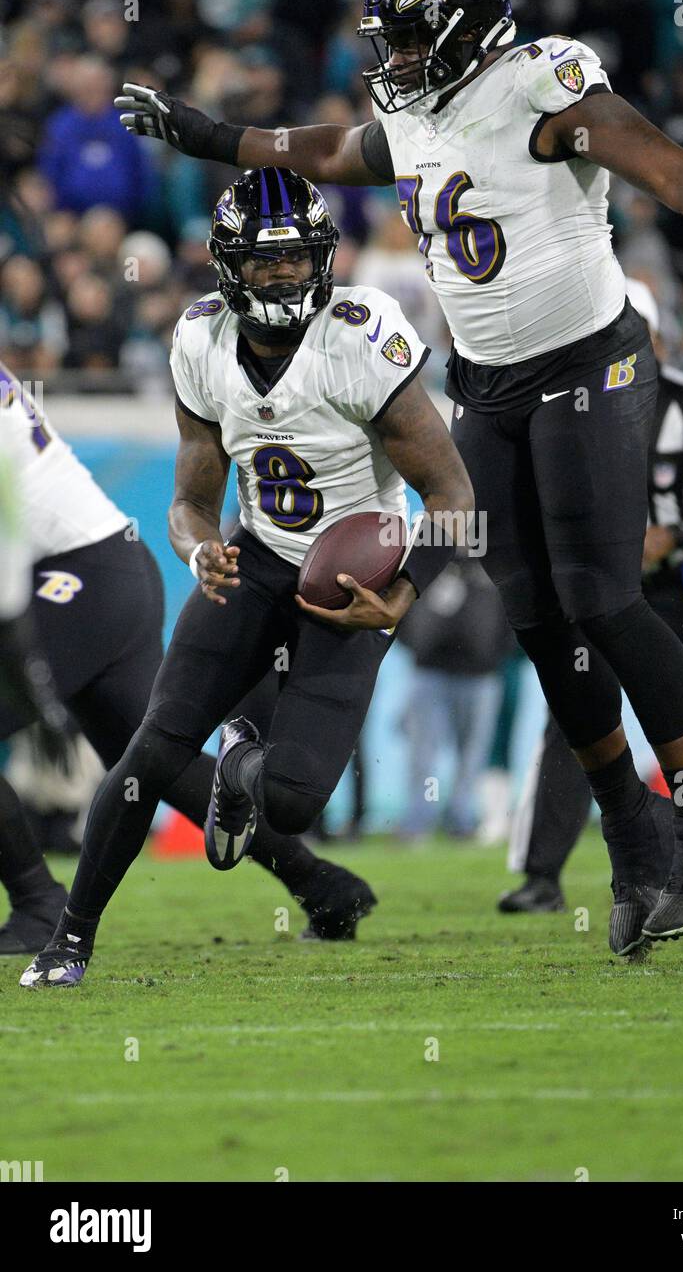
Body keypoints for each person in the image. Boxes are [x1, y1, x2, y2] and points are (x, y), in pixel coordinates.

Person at [114, 0, 683, 951]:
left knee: (600, 595)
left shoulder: (537, 85)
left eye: (412, 37)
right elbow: (323, 151)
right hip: (488, 385)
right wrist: (203, 135)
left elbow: (665, 165)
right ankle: (631, 840)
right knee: (537, 618)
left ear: (464, 27)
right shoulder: (417, 113)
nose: (398, 58)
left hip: (590, 363)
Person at [21, 167, 473, 988]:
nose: (284, 275)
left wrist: (402, 593)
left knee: (296, 803)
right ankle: (70, 938)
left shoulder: (363, 335)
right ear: (228, 265)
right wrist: (200, 550)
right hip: (258, 558)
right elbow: (190, 500)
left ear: (324, 258)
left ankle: (244, 770)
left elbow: (454, 495)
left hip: (351, 581)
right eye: (265, 263)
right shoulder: (199, 340)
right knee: (152, 751)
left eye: (298, 259)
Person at [0, 358, 378, 955]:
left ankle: (37, 902)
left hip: (71, 577)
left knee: (154, 757)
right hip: (99, 570)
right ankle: (321, 884)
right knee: (156, 762)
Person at [502, 280, 683, 919]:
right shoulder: (565, 402)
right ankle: (541, 873)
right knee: (576, 723)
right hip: (598, 589)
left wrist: (675, 533)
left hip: (679, 587)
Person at [397, 552, 513, 839]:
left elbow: (513, 609)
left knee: (472, 755)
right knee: (423, 751)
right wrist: (417, 646)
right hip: (429, 671)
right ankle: (418, 822)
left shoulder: (495, 558)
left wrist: (494, 655)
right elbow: (398, 604)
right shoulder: (424, 555)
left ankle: (461, 821)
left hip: (480, 674)